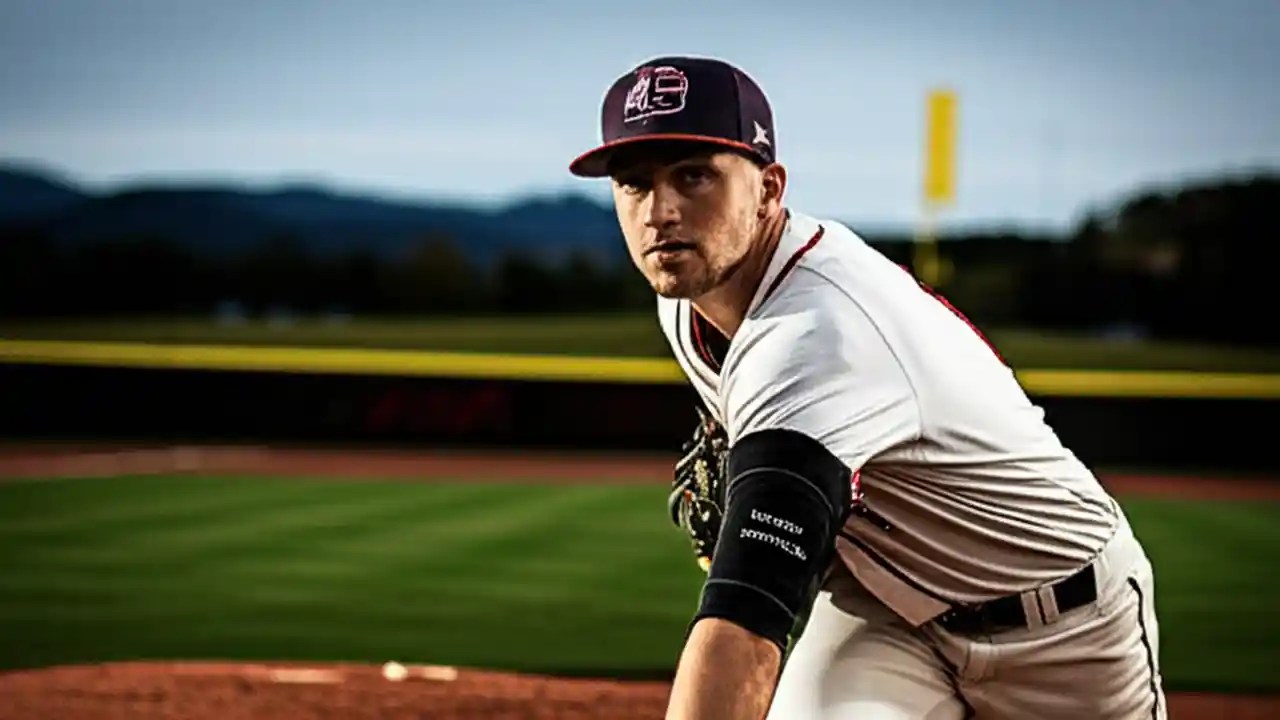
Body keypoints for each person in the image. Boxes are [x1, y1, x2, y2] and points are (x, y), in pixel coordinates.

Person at [567, 55, 1167, 720]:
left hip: (1065, 631)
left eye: (694, 175)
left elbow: (746, 616)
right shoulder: (688, 300)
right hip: (889, 614)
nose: (661, 211)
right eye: (633, 183)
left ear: (769, 189)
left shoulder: (820, 329)